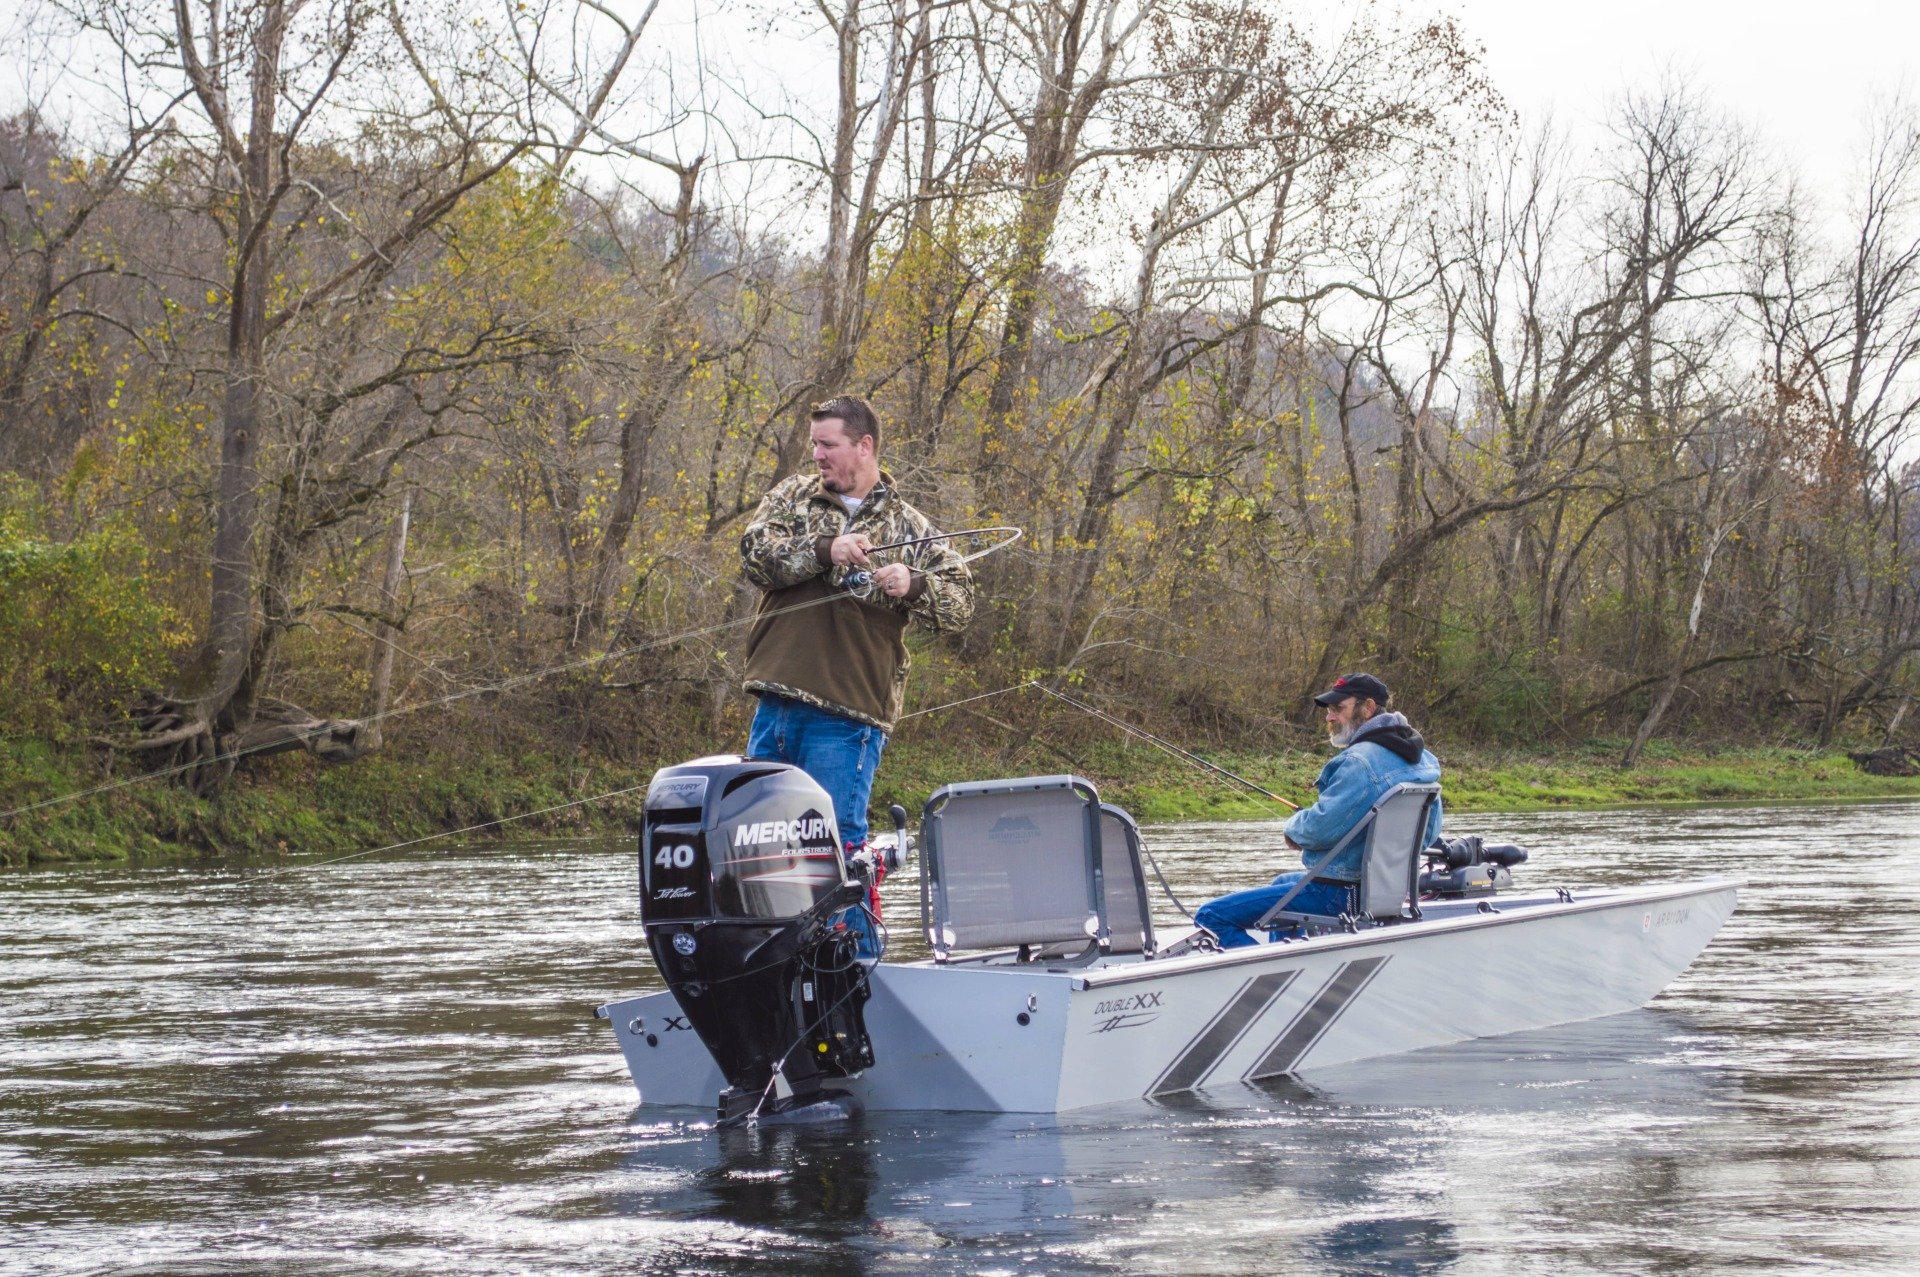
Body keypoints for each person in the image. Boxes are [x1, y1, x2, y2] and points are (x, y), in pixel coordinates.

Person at [739, 395, 975, 949]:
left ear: (863, 446)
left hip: (848, 717)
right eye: (814, 444)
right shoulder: (792, 497)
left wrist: (912, 585)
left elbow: (962, 605)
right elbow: (753, 554)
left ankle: (856, 972)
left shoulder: (909, 525)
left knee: (836, 850)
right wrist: (827, 550)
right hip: (774, 703)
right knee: (765, 849)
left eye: (828, 444)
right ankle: (780, 964)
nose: (816, 454)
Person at [1194, 673, 1442, 948]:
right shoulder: (1422, 761)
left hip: (1336, 895)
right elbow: (1428, 835)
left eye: (1339, 709)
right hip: (1383, 893)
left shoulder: (1357, 762)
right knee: (1283, 882)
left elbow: (1317, 830)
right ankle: (1290, 958)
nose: (1329, 718)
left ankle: (1272, 976)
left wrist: (1293, 827)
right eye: (1329, 711)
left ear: (1368, 708)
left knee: (1210, 916)